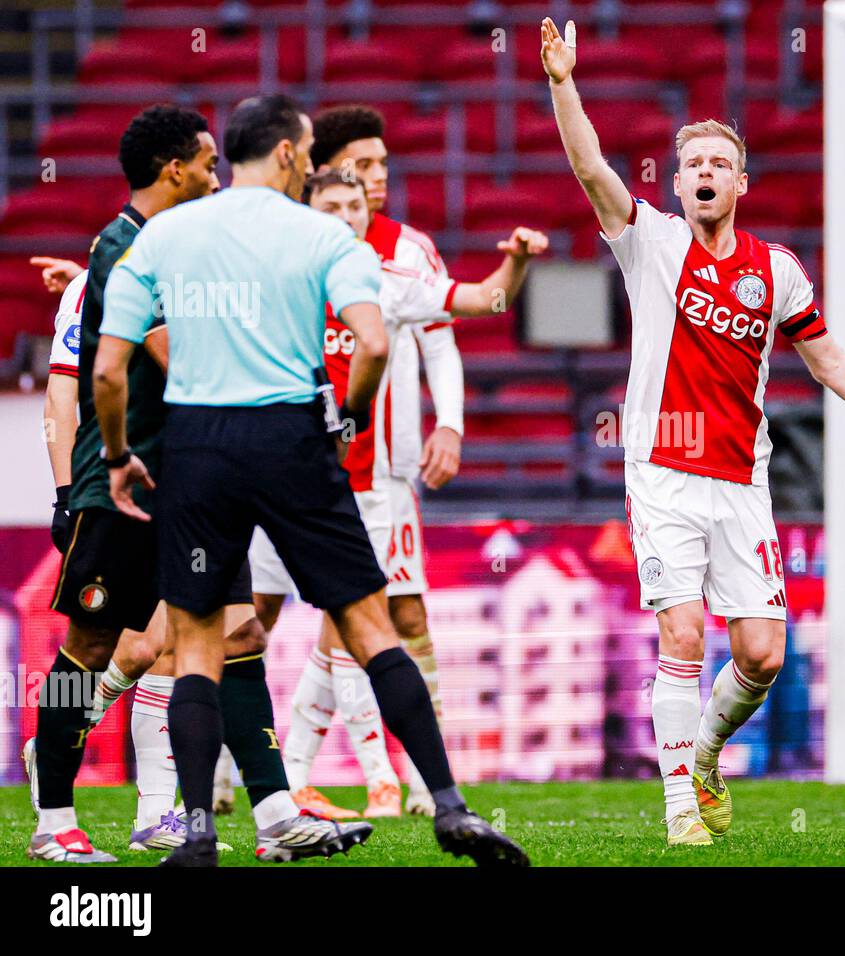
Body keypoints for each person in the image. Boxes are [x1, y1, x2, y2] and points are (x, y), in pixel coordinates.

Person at [541, 17, 845, 845]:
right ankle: (676, 814)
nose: (703, 173)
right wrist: (563, 83)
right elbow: (591, 166)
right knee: (683, 632)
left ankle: (703, 757)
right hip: (661, 471)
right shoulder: (651, 245)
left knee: (763, 653)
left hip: (742, 478)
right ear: (678, 183)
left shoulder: (776, 270)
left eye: (718, 164)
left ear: (741, 183)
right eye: (691, 162)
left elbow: (830, 361)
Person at [97, 93, 528, 866]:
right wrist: (348, 419)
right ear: (293, 155)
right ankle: (451, 808)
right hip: (292, 435)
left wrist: (120, 453)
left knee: (196, 645)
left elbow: (107, 370)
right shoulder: (326, 234)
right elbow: (370, 343)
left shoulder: (165, 235)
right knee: (370, 627)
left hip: (198, 447)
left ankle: (197, 834)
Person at [27, 104, 315, 863]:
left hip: (187, 483)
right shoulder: (130, 249)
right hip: (123, 486)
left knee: (238, 629)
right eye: (208, 162)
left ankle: (277, 811)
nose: (216, 175)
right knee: (86, 650)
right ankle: (53, 816)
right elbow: (170, 357)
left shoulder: (158, 245)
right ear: (173, 169)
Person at [254, 102, 544, 818]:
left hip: (372, 483)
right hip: (277, 480)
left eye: (370, 186)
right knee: (230, 625)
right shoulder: (274, 276)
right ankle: (202, 782)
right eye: (349, 185)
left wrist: (515, 263)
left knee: (367, 618)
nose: (366, 195)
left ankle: (378, 776)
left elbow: (477, 303)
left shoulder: (391, 269)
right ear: (315, 197)